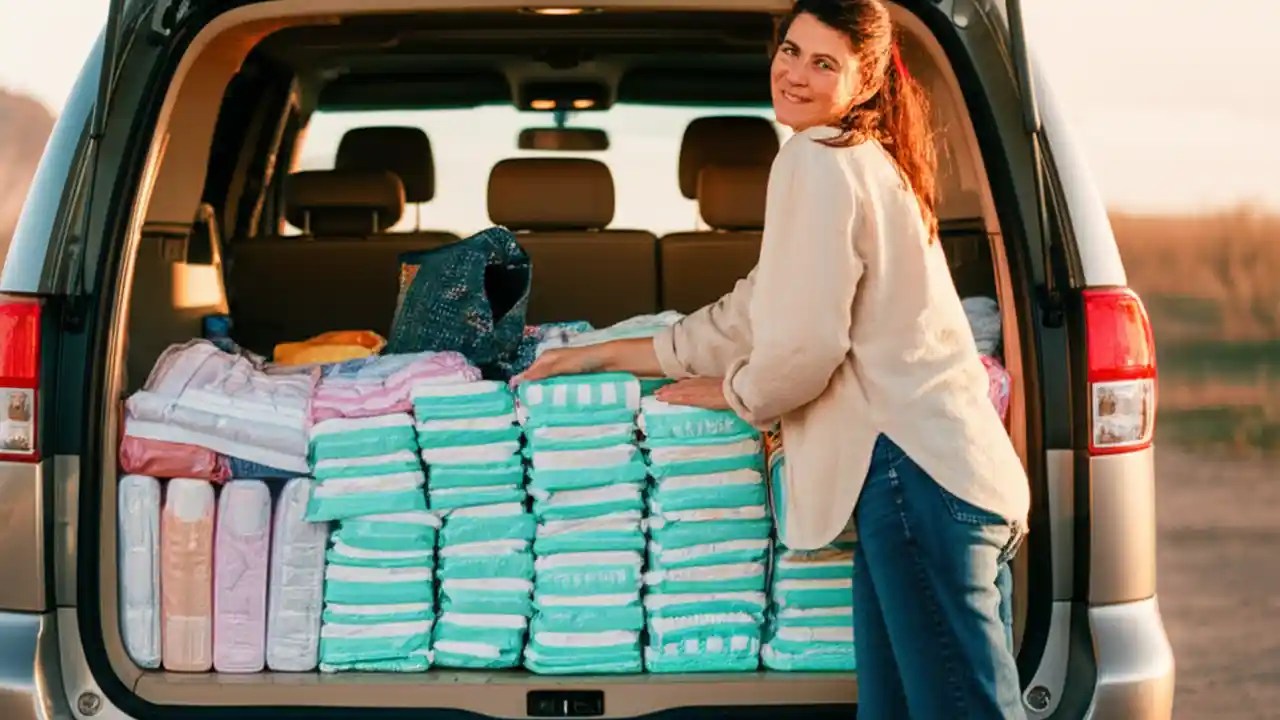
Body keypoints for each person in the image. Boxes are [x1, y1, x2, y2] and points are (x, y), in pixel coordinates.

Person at [514, 0, 1030, 716]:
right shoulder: (861, 162)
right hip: (940, 483)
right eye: (791, 50)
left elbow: (804, 346)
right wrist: (604, 355)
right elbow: (755, 314)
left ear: (866, 77)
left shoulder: (816, 161)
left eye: (825, 63)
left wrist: (736, 394)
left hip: (918, 482)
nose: (795, 74)